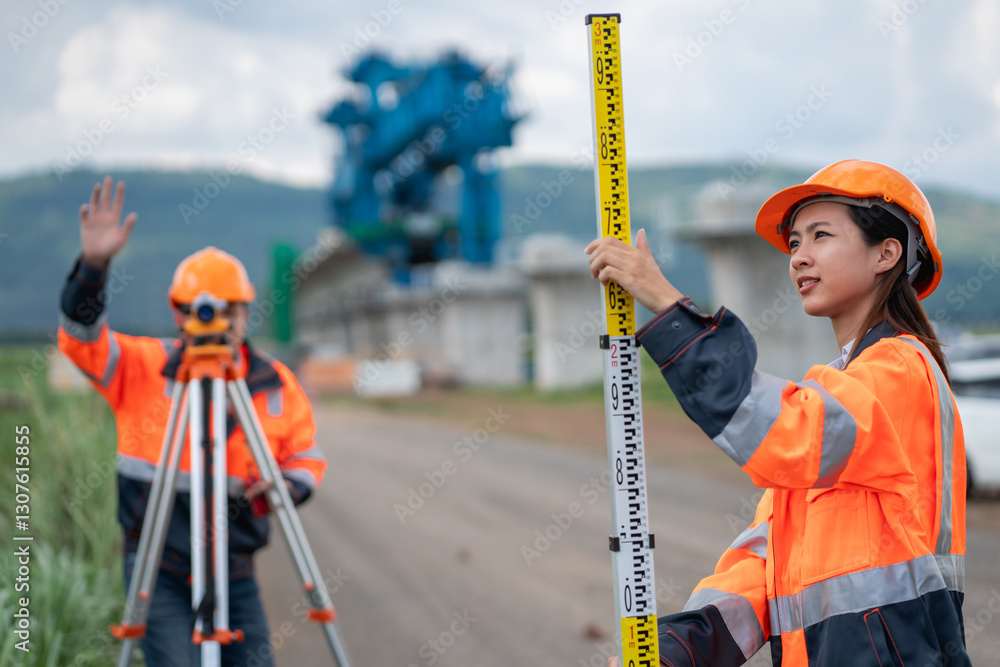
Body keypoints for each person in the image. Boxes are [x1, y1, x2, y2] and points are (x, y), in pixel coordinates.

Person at [586, 160, 969, 666]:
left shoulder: (899, 369)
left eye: (820, 236)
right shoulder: (843, 390)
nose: (799, 257)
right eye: (794, 244)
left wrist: (667, 306)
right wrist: (666, 653)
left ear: (886, 252)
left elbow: (781, 429)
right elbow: (761, 569)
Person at [58, 176, 327, 667]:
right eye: (199, 310)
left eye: (228, 310)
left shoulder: (275, 383)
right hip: (157, 568)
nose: (215, 321)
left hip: (236, 569)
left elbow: (306, 455)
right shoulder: (141, 367)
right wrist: (93, 268)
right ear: (178, 313)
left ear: (247, 311)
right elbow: (80, 336)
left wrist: (286, 487)